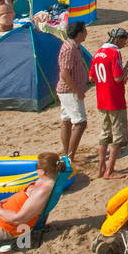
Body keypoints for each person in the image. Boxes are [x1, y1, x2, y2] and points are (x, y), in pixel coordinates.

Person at [89, 28, 128, 179]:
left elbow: (92, 78)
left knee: (104, 134)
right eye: (123, 40)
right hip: (114, 99)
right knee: (118, 136)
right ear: (117, 39)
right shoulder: (114, 53)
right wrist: (127, 66)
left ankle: (101, 166)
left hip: (101, 99)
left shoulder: (97, 53)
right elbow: (117, 78)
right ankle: (110, 170)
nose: (124, 43)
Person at [56, 20, 89, 164]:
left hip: (68, 90)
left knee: (67, 121)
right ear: (80, 33)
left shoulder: (75, 47)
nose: (86, 33)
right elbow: (65, 73)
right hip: (69, 91)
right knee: (80, 123)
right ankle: (69, 156)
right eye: (85, 31)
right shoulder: (69, 48)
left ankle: (68, 154)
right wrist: (77, 91)